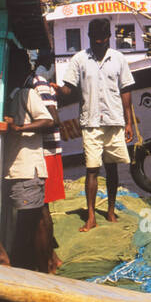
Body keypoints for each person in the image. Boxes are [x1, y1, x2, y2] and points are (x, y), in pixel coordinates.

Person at [54, 17, 136, 232]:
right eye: (95, 39)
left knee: (112, 167)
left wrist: (129, 122)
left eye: (103, 39)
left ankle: (110, 210)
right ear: (89, 37)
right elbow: (69, 89)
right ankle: (91, 216)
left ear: (109, 37)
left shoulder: (118, 59)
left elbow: (126, 89)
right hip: (90, 122)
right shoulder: (79, 59)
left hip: (114, 120)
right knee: (92, 169)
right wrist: (57, 90)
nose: (99, 43)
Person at [0, 48, 55, 271]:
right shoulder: (10, 95)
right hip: (14, 170)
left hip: (27, 171)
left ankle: (41, 273)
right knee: (20, 231)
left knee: (26, 230)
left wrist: (19, 127)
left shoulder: (27, 94)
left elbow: (48, 121)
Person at [33, 53, 65, 273]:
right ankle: (51, 257)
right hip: (47, 150)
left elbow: (53, 118)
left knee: (41, 209)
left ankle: (48, 263)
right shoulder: (40, 84)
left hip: (46, 151)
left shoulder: (39, 85)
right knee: (42, 209)